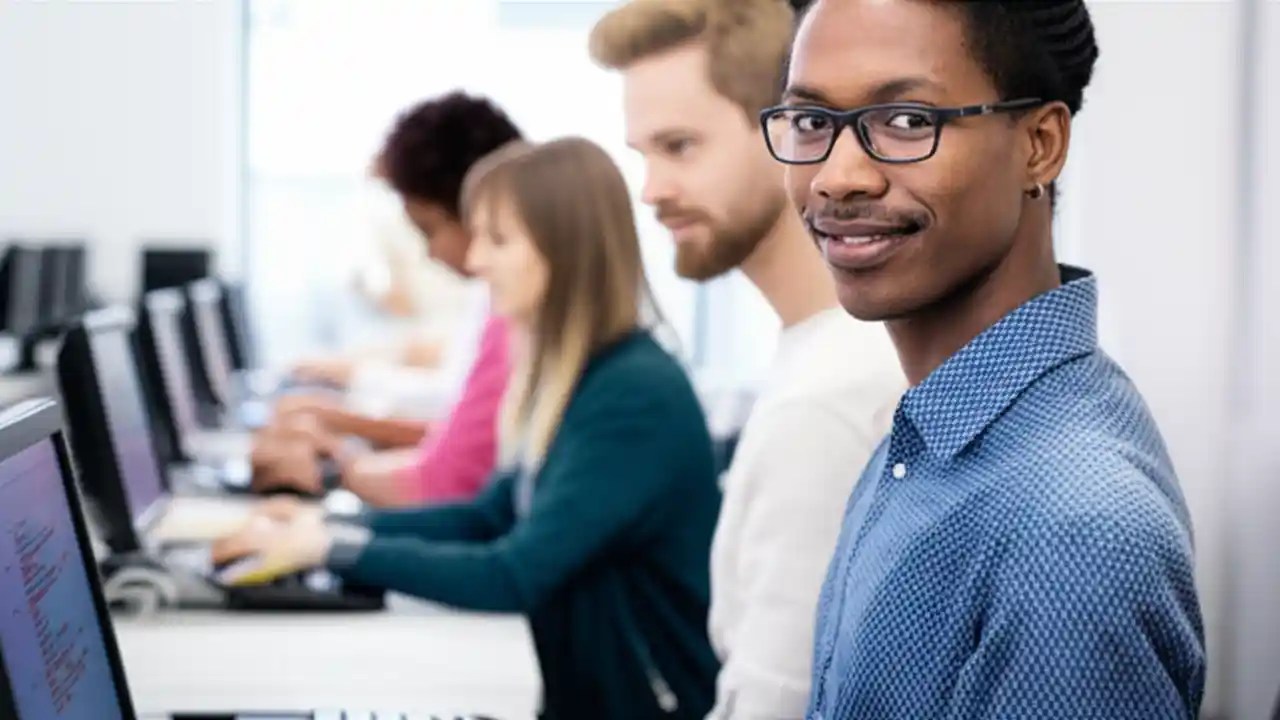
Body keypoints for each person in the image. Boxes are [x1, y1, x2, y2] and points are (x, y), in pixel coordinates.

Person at [769, 1, 1205, 717]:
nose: (836, 176)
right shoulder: (936, 436)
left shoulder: (1073, 529)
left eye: (908, 120)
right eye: (813, 123)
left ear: (1040, 145)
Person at [213, 137, 723, 719]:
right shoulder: (577, 378)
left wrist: (330, 547)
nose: (475, 261)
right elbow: (487, 516)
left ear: (565, 251)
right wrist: (325, 524)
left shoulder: (633, 394)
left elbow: (515, 574)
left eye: (498, 240)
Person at [589, 1, 905, 717]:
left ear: (794, 133)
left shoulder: (826, 396)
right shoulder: (820, 355)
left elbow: (778, 701)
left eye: (680, 146)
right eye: (643, 155)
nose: (651, 191)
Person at [252, 92, 521, 507]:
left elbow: (455, 467)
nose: (430, 253)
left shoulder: (516, 310)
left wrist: (334, 461)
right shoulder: (498, 301)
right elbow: (461, 430)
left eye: (430, 230)